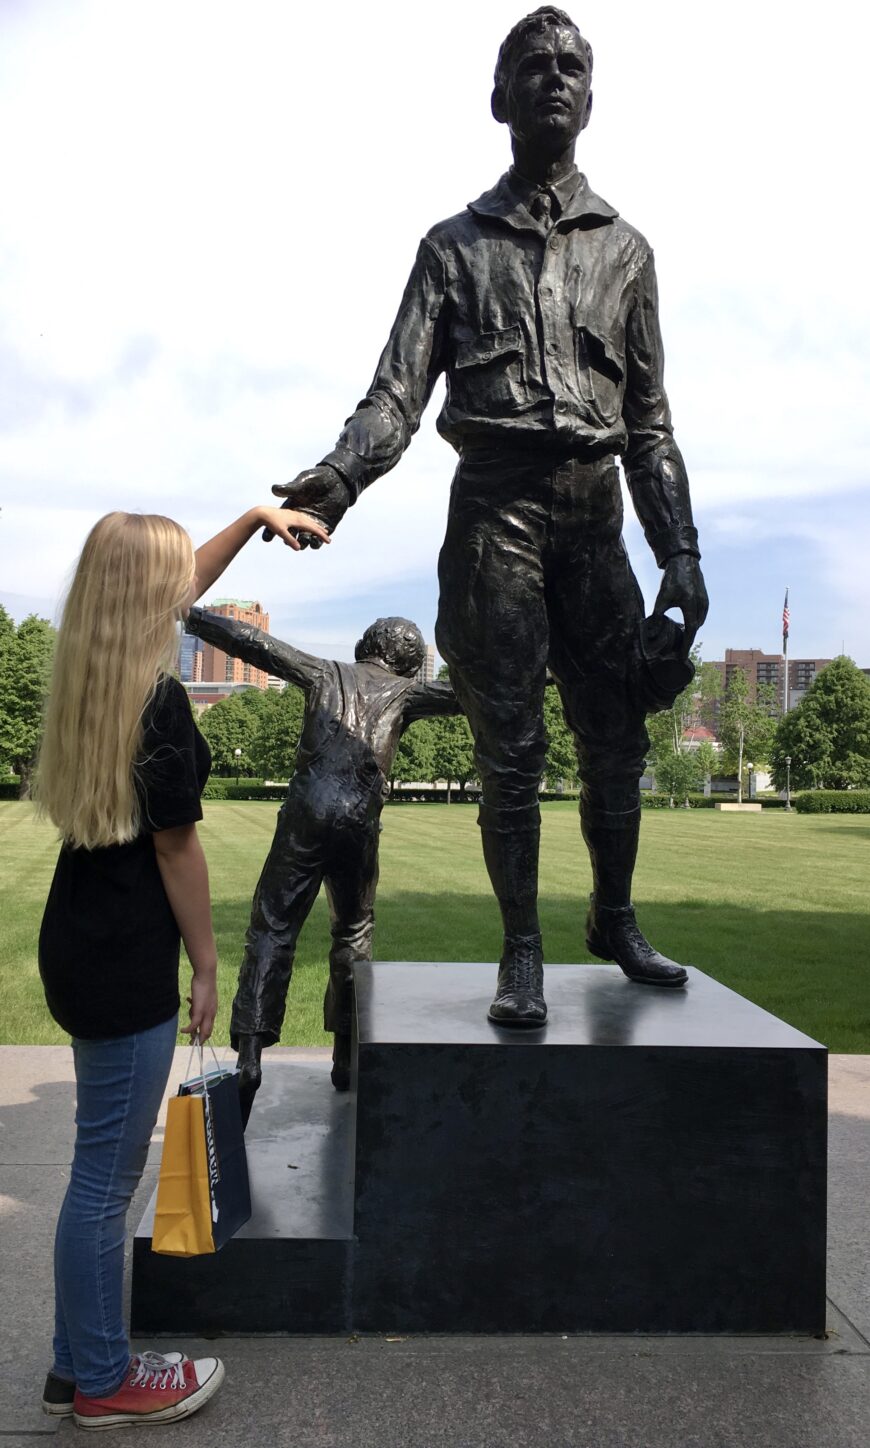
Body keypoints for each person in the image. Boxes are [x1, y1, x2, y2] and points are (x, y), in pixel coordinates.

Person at [269, 7, 709, 1027]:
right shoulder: (451, 248)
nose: (555, 78)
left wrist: (679, 550)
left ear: (590, 99)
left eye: (572, 67)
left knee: (615, 738)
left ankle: (613, 916)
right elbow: (394, 397)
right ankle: (522, 952)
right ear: (499, 98)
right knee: (510, 749)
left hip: (595, 516)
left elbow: (651, 425)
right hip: (494, 515)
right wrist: (339, 476)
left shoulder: (628, 251)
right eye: (534, 66)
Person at [34, 503, 328, 1429]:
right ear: (146, 596)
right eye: (170, 579)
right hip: (125, 957)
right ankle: (104, 1382)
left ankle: (73, 1363)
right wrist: (206, 965)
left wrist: (252, 517)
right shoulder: (156, 699)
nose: (185, 590)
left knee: (94, 1168)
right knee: (103, 1186)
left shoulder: (90, 671)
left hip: (79, 937)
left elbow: (183, 579)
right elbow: (176, 850)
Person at [184, 606, 461, 1117]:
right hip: (359, 822)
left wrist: (193, 617)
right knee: (353, 934)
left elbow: (255, 644)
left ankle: (250, 1056)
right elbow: (480, 692)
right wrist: (552, 671)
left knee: (271, 930)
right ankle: (345, 1056)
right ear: (407, 661)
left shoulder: (325, 672)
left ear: (367, 644)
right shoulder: (408, 693)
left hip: (305, 815)